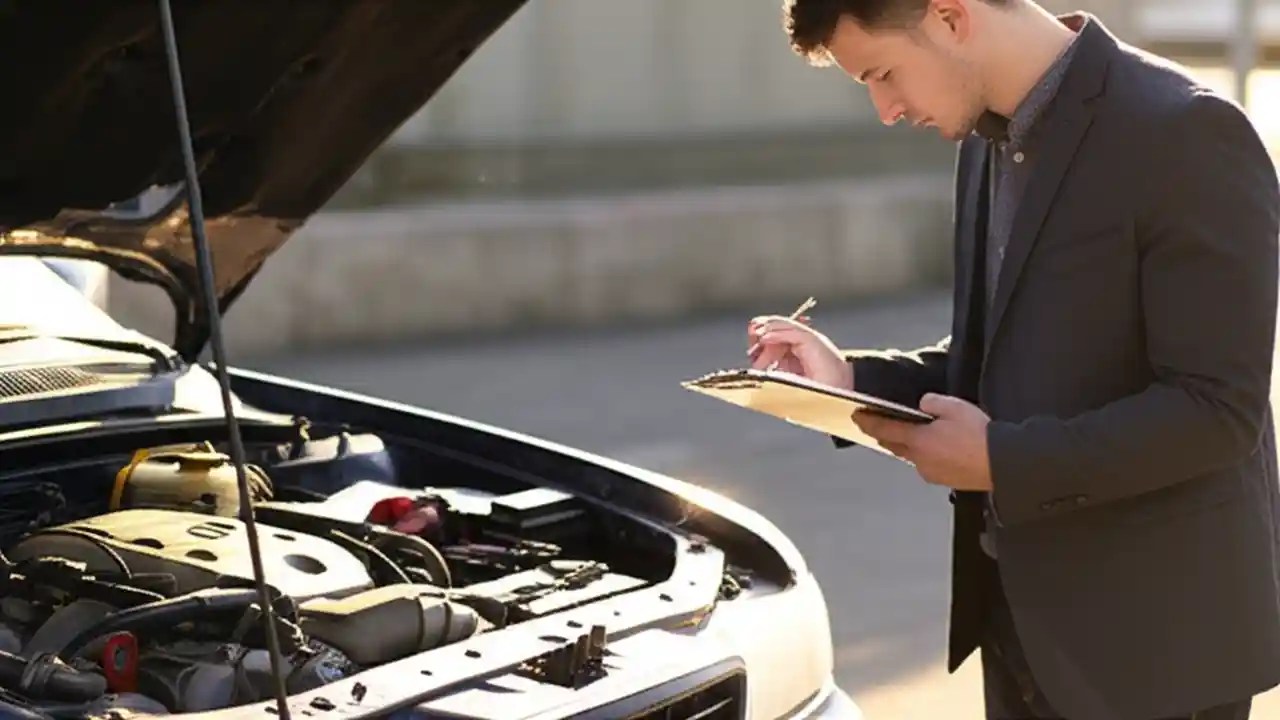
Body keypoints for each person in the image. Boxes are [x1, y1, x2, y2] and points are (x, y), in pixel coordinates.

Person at [748, 1, 1280, 718]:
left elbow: (1218, 412)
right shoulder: (984, 138)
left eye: (882, 73)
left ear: (950, 15)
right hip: (1019, 636)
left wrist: (1003, 461)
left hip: (1154, 658)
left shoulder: (1185, 132)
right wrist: (850, 380)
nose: (885, 109)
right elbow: (1001, 356)